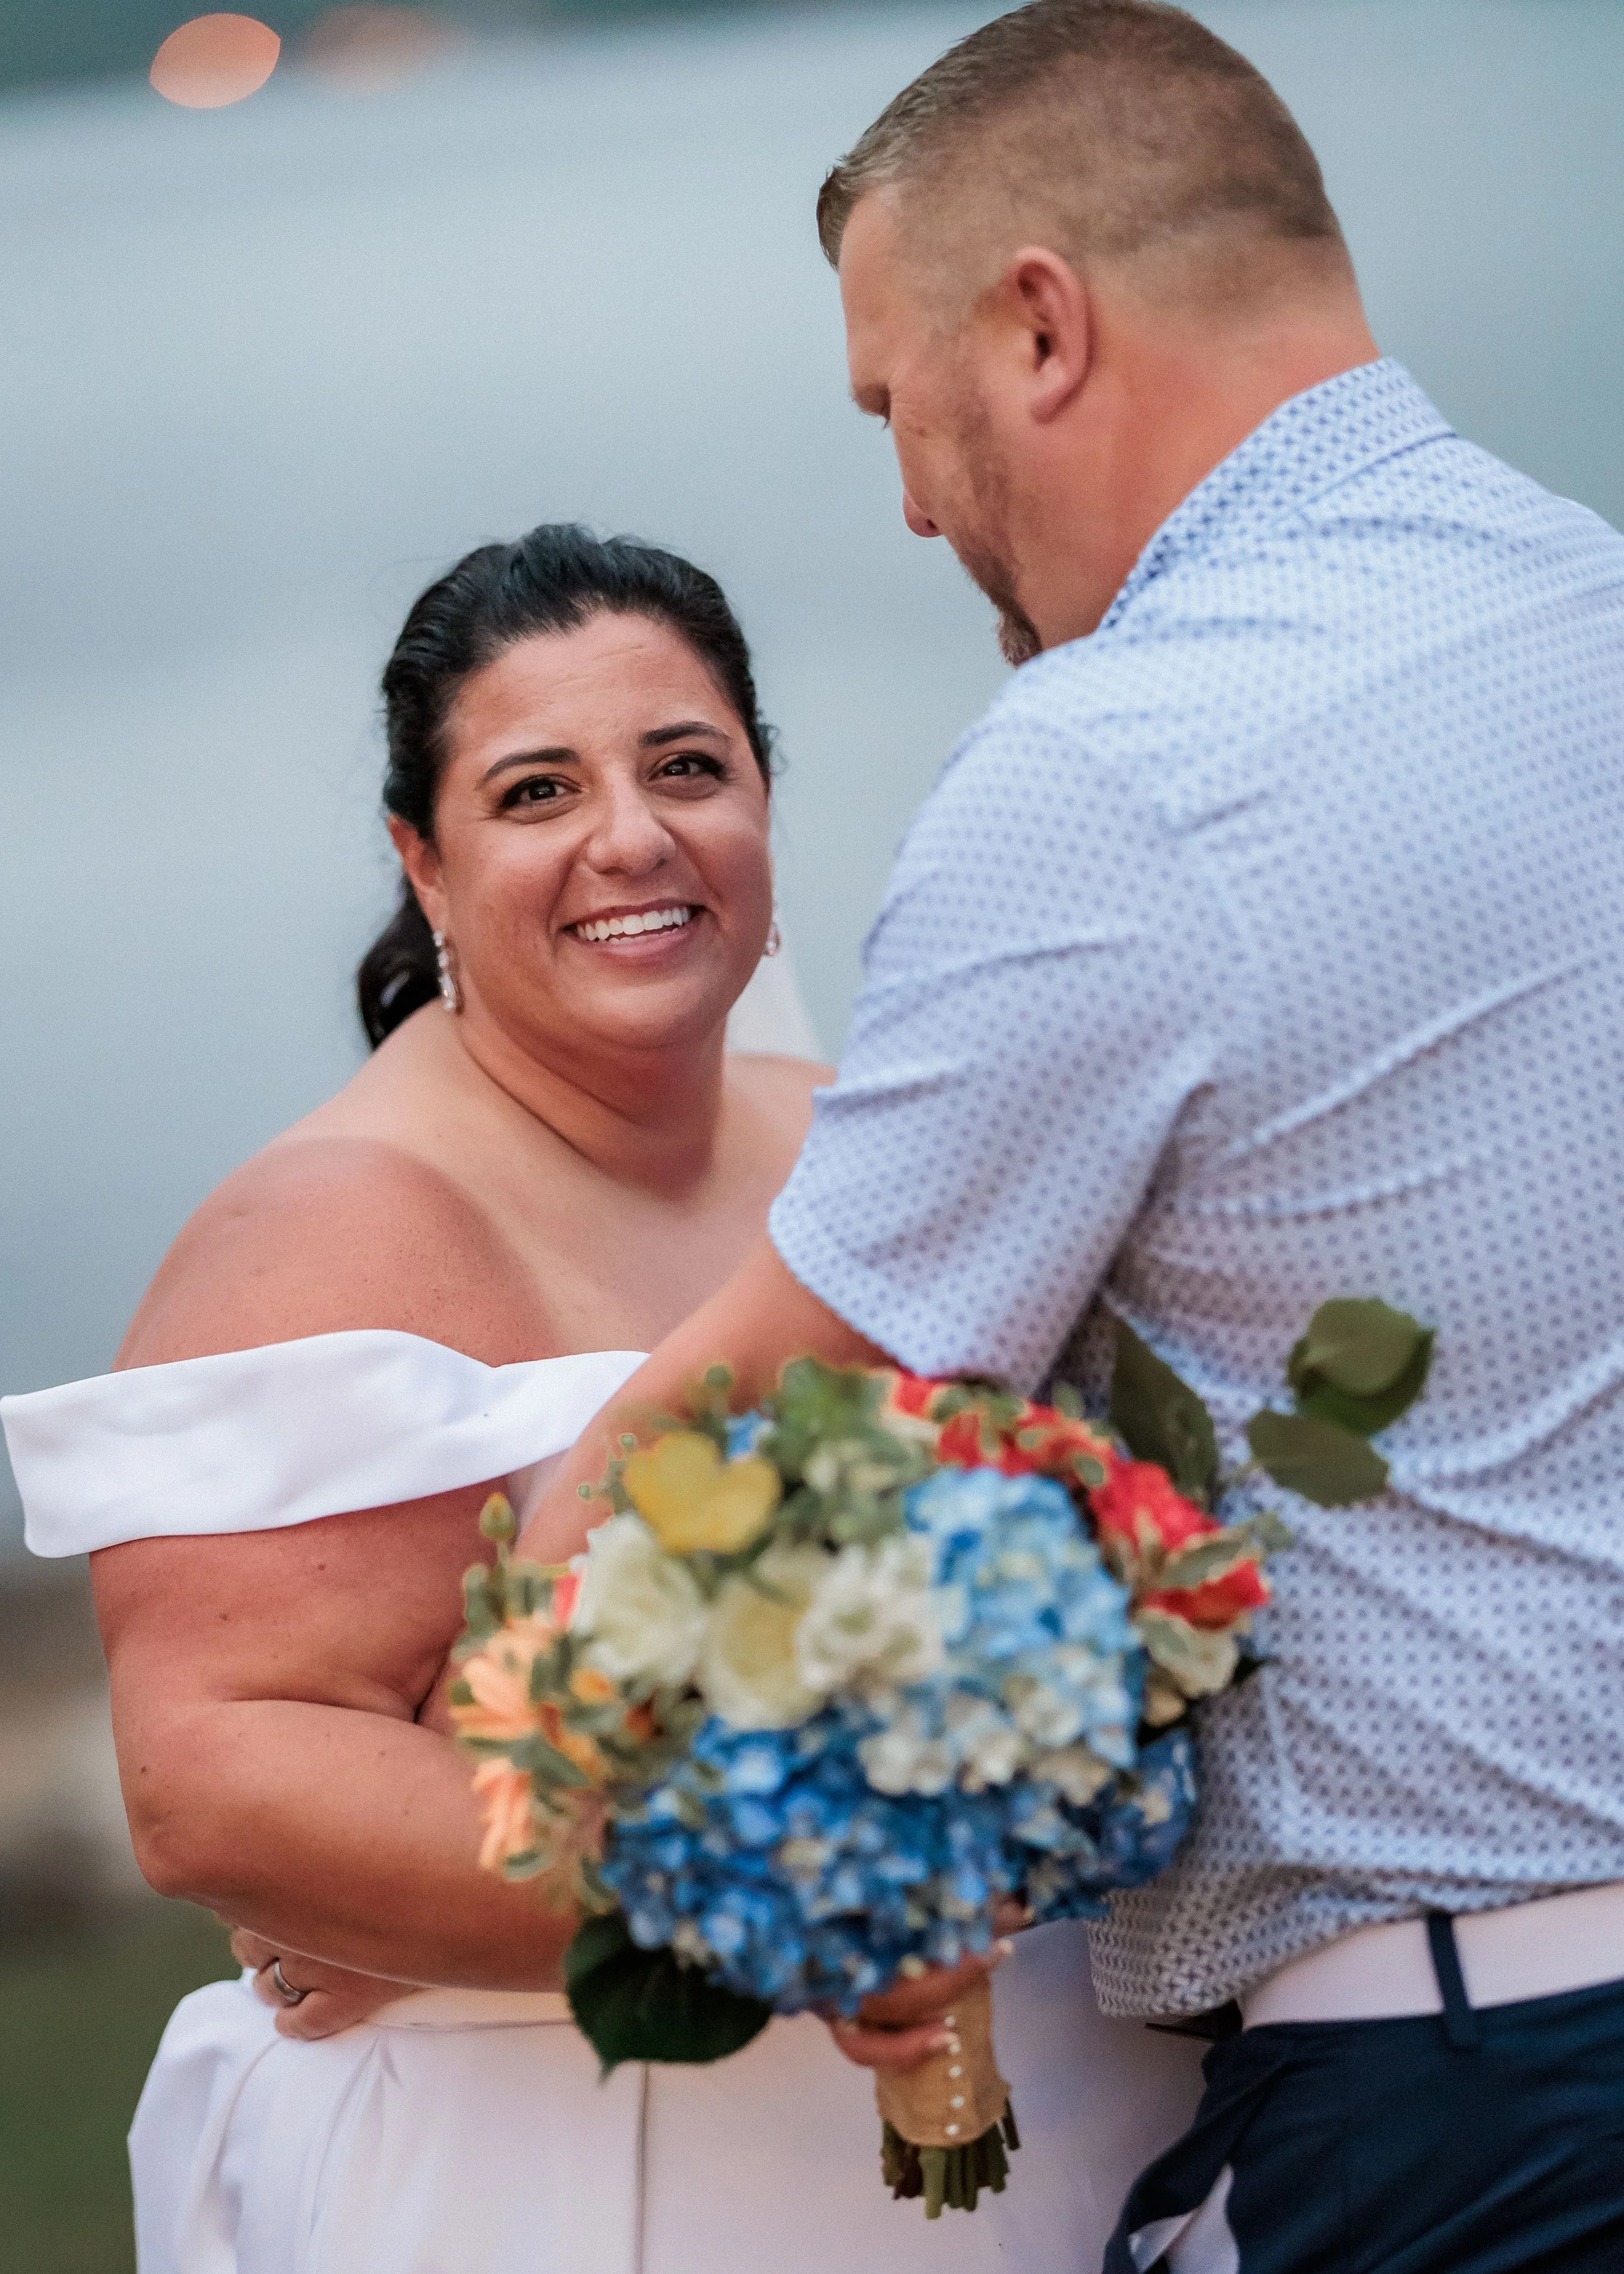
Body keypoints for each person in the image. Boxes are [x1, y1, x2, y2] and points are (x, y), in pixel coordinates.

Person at [513, 7, 1624, 2271]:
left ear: (1038, 327)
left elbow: (705, 1461)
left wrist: (505, 1794)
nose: (911, 502)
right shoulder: (1586, 597)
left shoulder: (1113, 775)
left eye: (889, 413)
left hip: (1479, 2104)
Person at [1, 523, 1202, 2274]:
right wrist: (797, 1893)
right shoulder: (321, 1231)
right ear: (422, 858)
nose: (630, 837)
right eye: (537, 789)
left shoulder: (863, 1140)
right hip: (566, 2174)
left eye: (687, 768)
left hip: (1046, 2133)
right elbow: (216, 1783)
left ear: (765, 807)